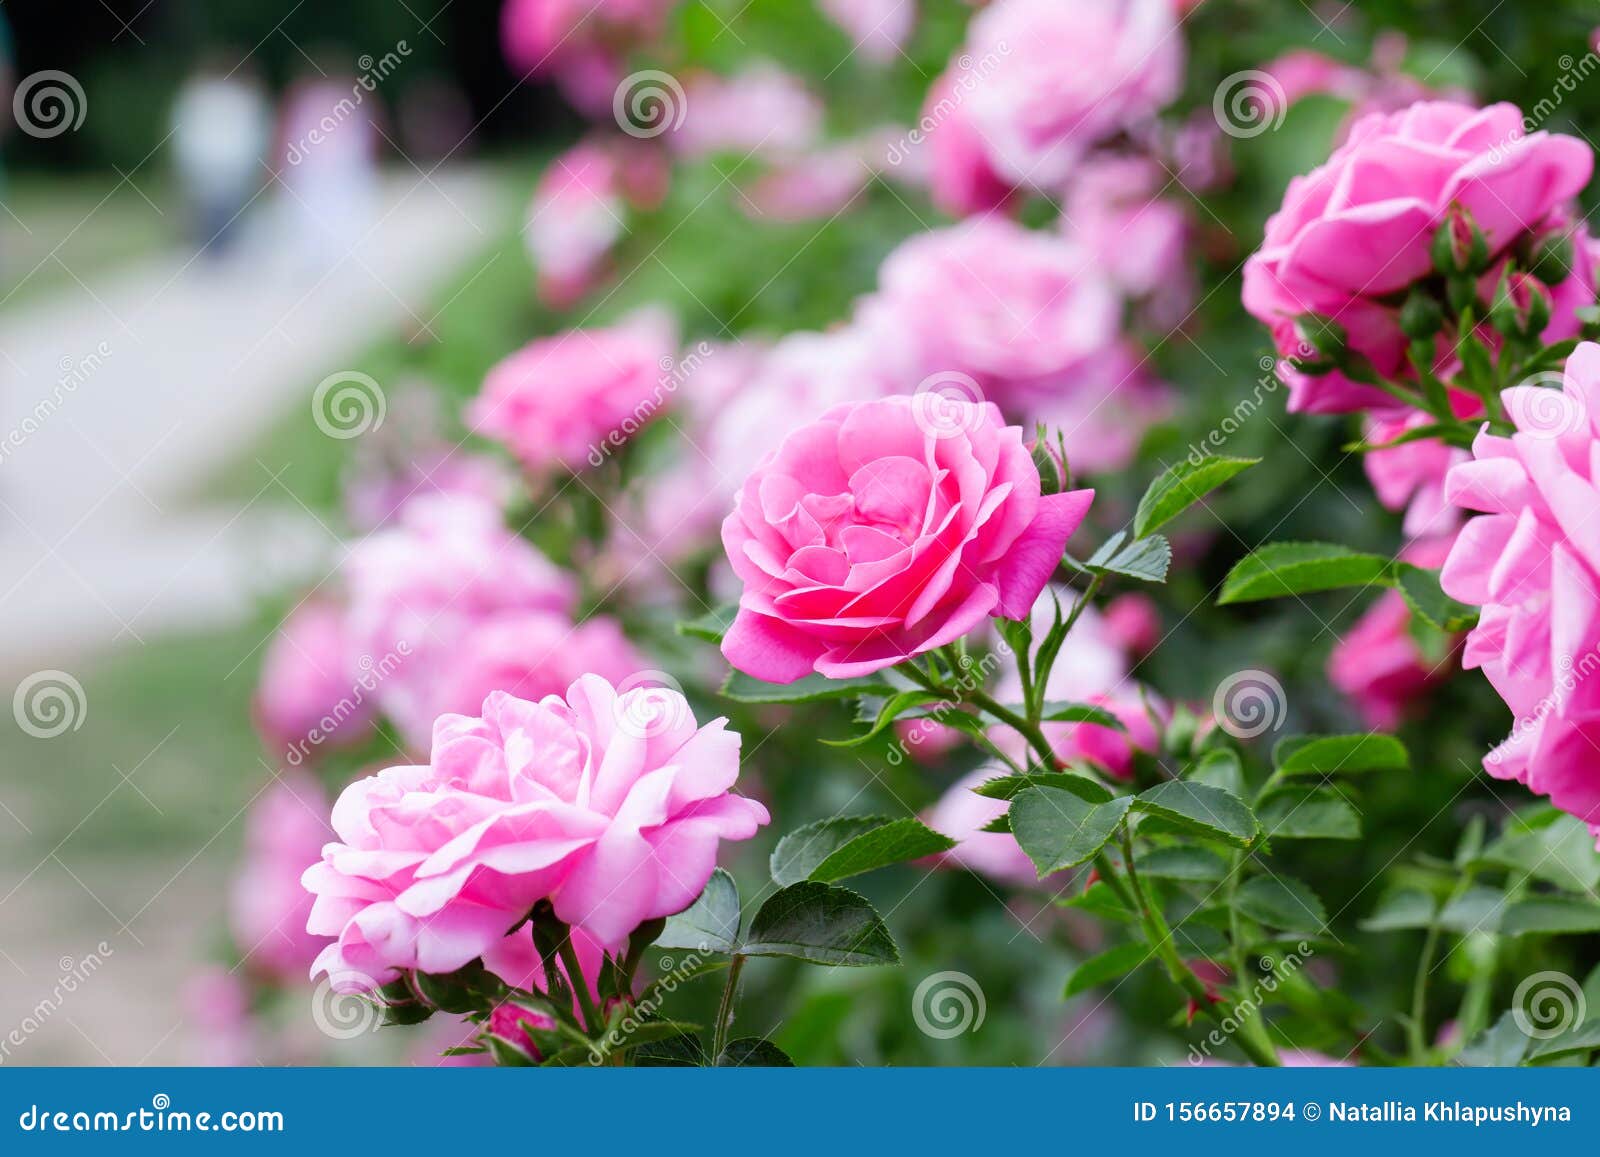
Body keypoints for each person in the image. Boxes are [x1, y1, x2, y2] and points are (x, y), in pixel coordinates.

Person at [169, 55, 272, 258]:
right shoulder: (240, 95)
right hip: (228, 161)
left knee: (214, 205)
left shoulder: (201, 94)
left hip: (211, 161)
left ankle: (216, 248)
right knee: (221, 205)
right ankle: (221, 248)